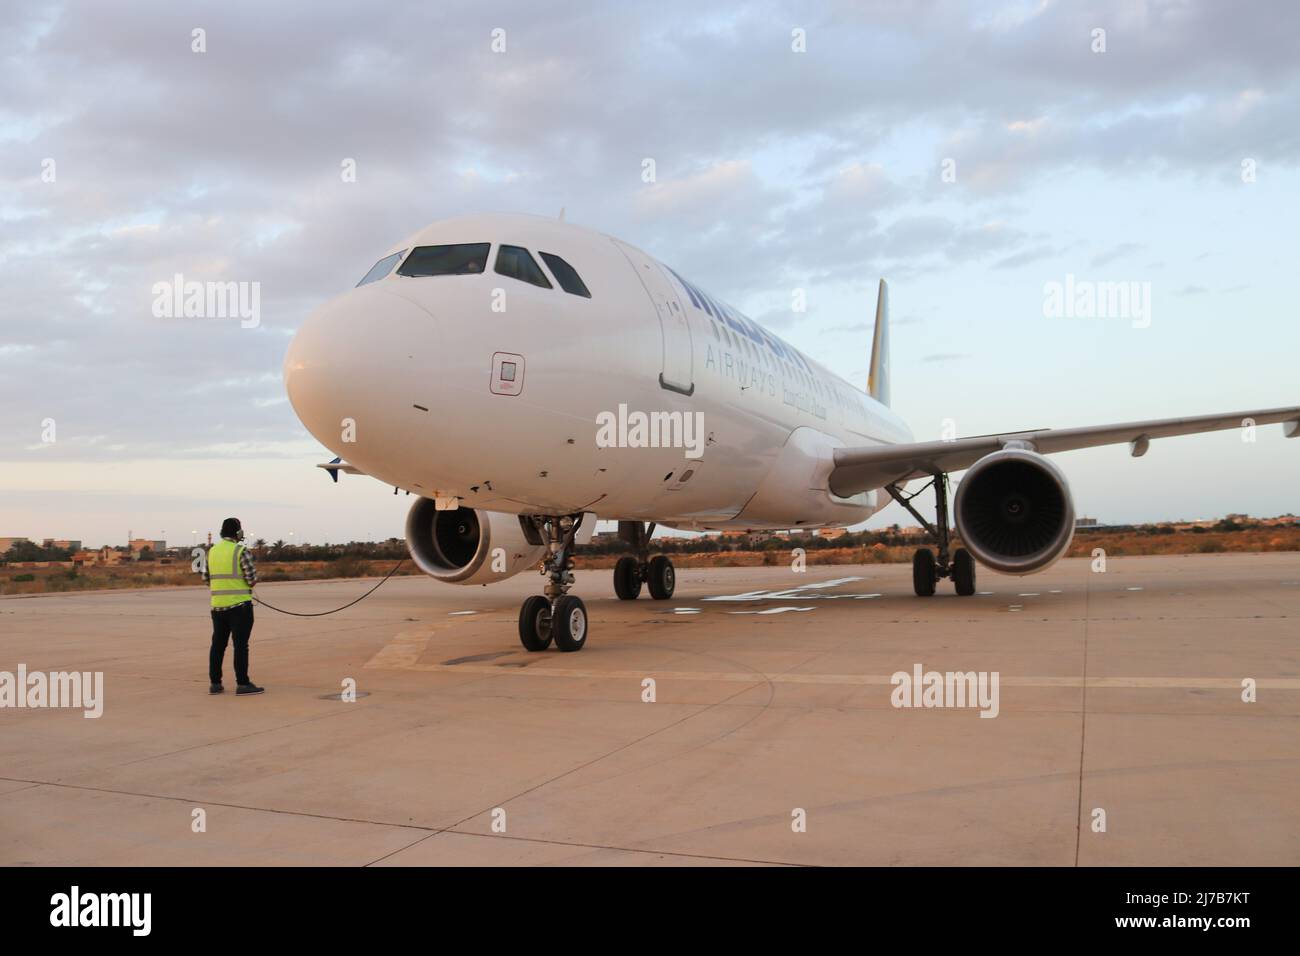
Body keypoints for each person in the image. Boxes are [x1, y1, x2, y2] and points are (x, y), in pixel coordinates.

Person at [204, 518, 264, 696]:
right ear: (238, 533)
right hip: (239, 607)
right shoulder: (240, 551)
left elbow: (206, 578)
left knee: (218, 645)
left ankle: (215, 683)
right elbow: (251, 579)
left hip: (217, 607)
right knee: (240, 646)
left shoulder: (212, 552)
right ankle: (243, 684)